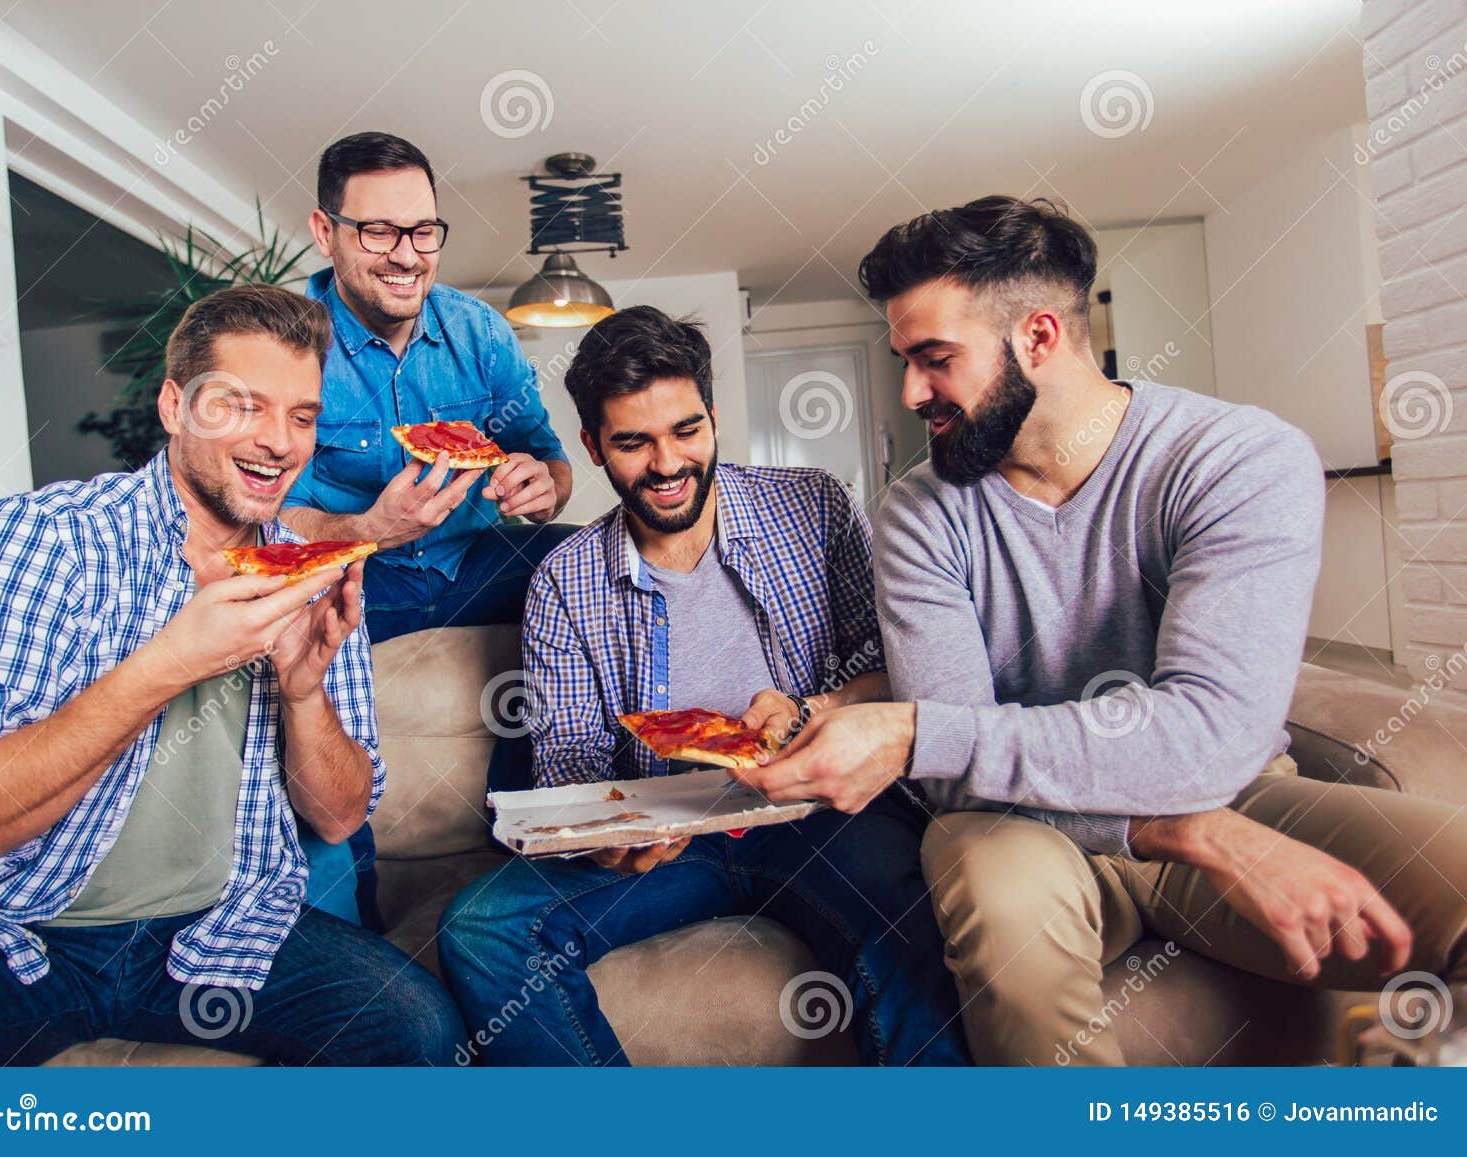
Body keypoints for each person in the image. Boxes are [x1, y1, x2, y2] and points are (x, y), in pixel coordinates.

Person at [739, 196, 1467, 1065]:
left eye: (935, 359)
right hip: (1024, 826)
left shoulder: (1235, 459)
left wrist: (927, 734)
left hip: (1238, 793)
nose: (910, 392)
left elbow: (1208, 736)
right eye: (905, 360)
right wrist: (1181, 832)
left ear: (1039, 337)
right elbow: (953, 776)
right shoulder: (919, 513)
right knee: (995, 887)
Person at [0, 285, 464, 1066]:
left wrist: (302, 691)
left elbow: (340, 817)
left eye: (302, 416)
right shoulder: (40, 540)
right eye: (243, 405)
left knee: (417, 1028)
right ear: (175, 406)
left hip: (220, 926)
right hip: (15, 925)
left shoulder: (311, 572)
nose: (280, 442)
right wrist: (171, 661)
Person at [435, 306, 965, 1066]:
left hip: (817, 807)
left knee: (914, 922)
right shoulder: (563, 579)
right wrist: (610, 836)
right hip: (669, 828)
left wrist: (811, 710)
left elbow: (897, 672)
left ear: (713, 416)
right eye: (633, 442)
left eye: (686, 431)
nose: (667, 463)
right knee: (481, 929)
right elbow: (569, 759)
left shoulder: (813, 506)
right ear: (591, 447)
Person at [281, 131, 576, 644]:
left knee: (601, 559)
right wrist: (370, 530)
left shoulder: (481, 333)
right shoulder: (284, 347)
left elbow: (548, 458)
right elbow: (272, 520)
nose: (407, 257)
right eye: (378, 231)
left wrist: (544, 489)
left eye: (423, 231)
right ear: (325, 232)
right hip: (359, 578)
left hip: (476, 564)